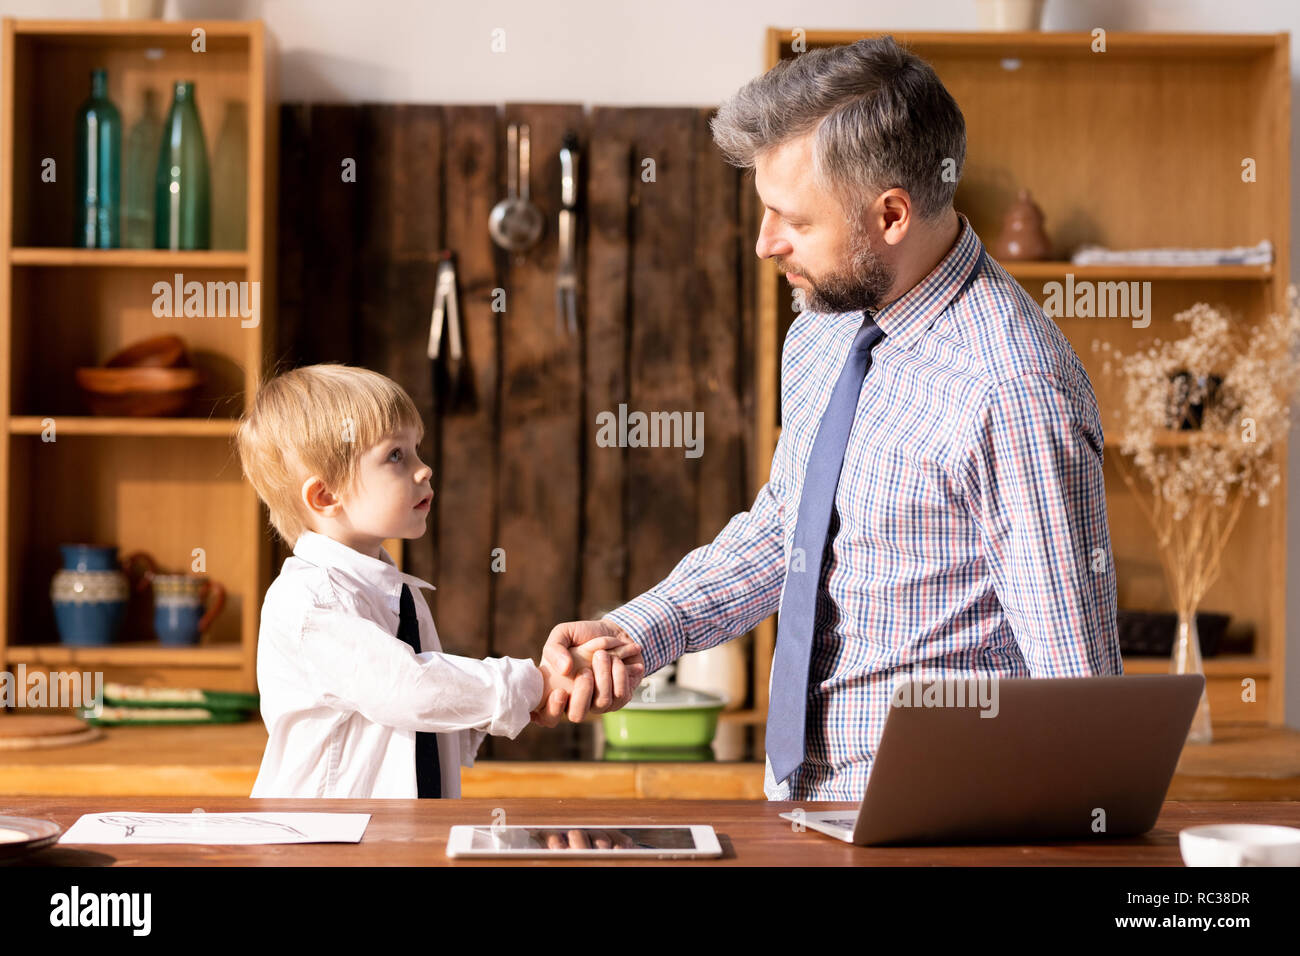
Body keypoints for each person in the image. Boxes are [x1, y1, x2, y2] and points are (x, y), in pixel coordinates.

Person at [537, 35, 1123, 800]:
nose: (763, 244)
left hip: (940, 824)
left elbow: (1081, 698)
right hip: (810, 807)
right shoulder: (824, 321)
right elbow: (791, 525)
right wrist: (640, 630)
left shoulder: (1010, 389)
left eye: (794, 221)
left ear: (890, 215)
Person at [236, 362, 614, 797]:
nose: (424, 469)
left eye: (416, 449)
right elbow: (409, 690)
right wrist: (533, 684)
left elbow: (424, 721)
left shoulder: (392, 591)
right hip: (322, 846)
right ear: (325, 496)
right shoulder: (309, 601)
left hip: (388, 839)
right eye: (396, 455)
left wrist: (526, 700)